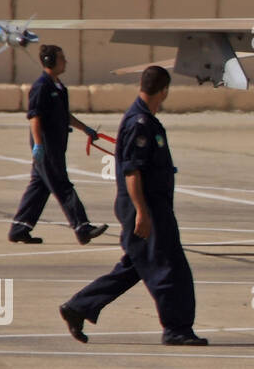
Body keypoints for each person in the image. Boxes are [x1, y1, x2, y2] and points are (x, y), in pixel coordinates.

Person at [58, 65, 208, 346]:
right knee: (169, 268)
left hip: (151, 206)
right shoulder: (140, 123)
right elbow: (132, 172)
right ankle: (177, 329)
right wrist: (141, 212)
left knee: (135, 266)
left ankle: (79, 307)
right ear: (164, 91)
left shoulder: (144, 119)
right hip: (146, 208)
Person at [8, 44, 108, 245]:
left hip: (57, 146)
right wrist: (38, 145)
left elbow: (65, 115)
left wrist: (86, 129)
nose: (66, 62)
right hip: (47, 148)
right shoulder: (42, 86)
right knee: (62, 185)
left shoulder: (59, 87)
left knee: (40, 186)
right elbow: (34, 118)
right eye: (62, 58)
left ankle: (20, 227)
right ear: (49, 62)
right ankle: (82, 227)